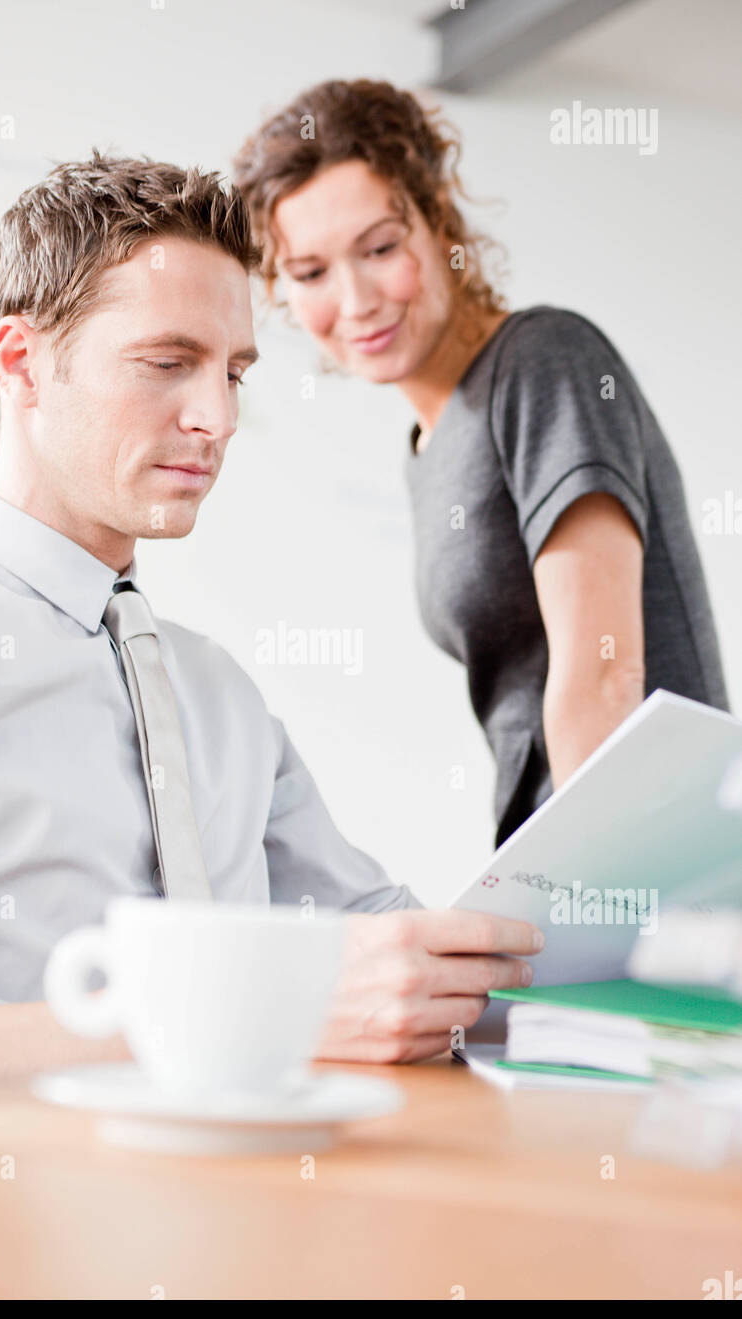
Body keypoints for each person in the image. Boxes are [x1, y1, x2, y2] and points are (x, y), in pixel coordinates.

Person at [0, 151, 542, 1098]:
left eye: (234, 372)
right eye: (168, 364)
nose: (218, 417)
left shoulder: (214, 691)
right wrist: (249, 1011)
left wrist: (625, 917)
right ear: (21, 362)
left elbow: (391, 953)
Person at [233, 78, 730, 848]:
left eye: (381, 248)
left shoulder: (543, 361)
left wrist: (575, 900)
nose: (357, 298)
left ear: (439, 221)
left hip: (657, 866)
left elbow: (604, 673)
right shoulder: (432, 445)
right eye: (311, 273)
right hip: (562, 858)